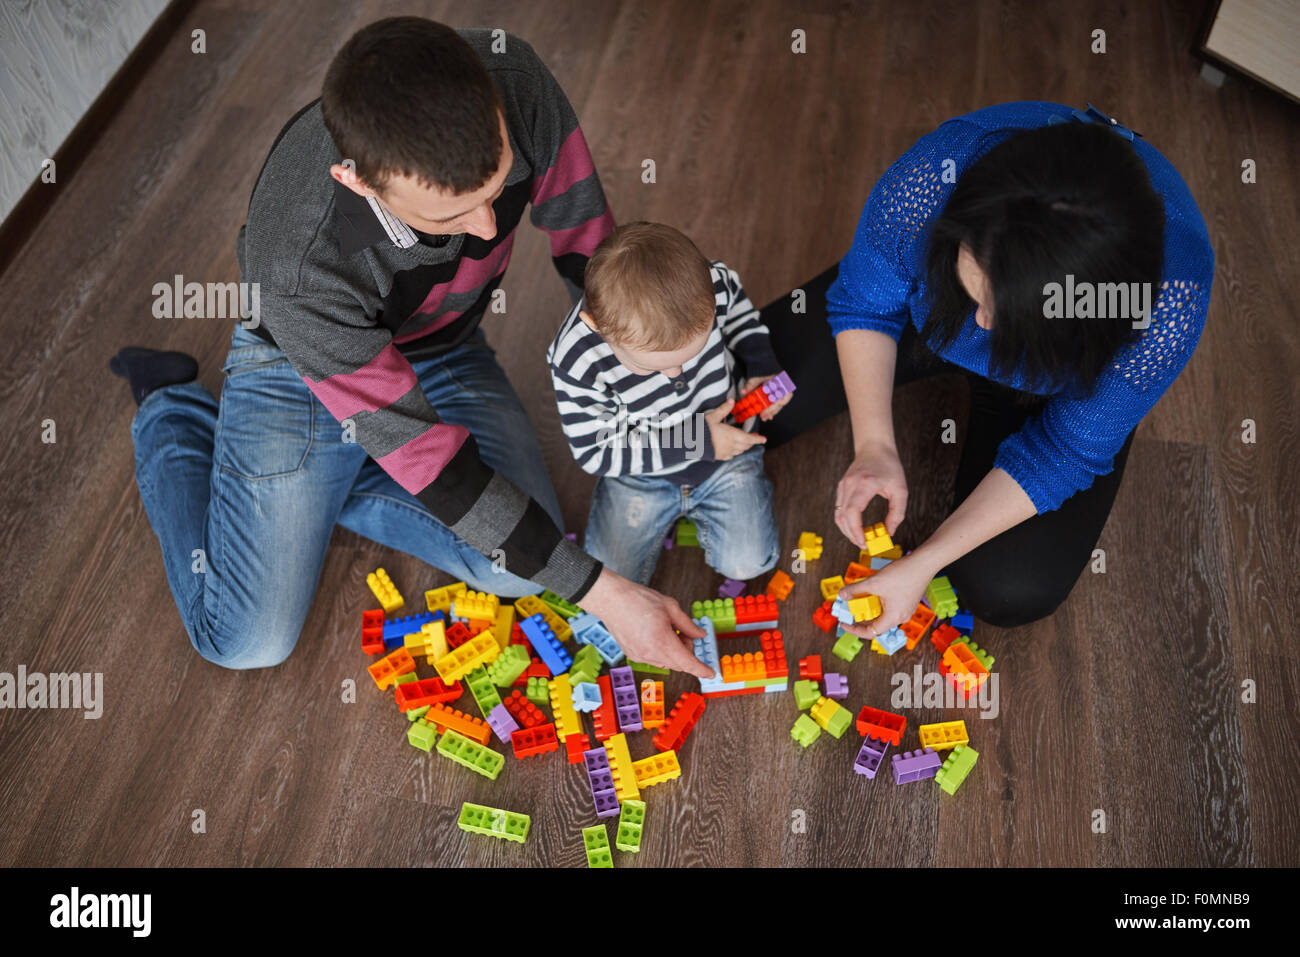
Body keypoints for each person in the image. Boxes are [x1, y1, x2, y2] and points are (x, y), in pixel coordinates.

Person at [110, 17, 709, 674]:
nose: (484, 228)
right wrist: (611, 596)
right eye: (449, 216)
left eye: (498, 183)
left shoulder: (519, 82)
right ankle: (172, 410)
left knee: (517, 569)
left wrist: (650, 376)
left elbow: (590, 250)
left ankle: (340, 468)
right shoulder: (300, 264)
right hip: (302, 366)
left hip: (441, 341)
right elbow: (442, 468)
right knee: (245, 640)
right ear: (361, 183)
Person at [758, 102, 1214, 635]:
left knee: (1008, 587)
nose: (981, 323)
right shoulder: (932, 178)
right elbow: (865, 304)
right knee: (745, 391)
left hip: (1047, 393)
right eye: (976, 286)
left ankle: (1009, 388)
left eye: (1010, 319)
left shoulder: (1165, 302)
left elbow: (1066, 451)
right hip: (918, 320)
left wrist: (922, 562)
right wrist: (874, 445)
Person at [547, 222, 789, 585]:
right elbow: (594, 453)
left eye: (696, 349)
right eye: (651, 366)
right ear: (597, 326)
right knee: (613, 580)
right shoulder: (576, 361)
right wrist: (699, 442)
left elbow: (740, 314)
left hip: (727, 452)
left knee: (750, 563)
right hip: (642, 474)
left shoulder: (712, 282)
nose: (677, 372)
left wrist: (762, 365)